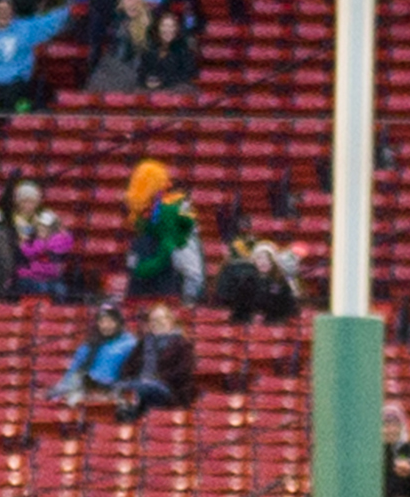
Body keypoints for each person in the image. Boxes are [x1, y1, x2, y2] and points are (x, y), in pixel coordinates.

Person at [0, 0, 73, 117]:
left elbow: (49, 21)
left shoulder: (26, 28)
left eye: (7, 10)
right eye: (0, 10)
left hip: (20, 84)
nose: (3, 13)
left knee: (15, 99)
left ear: (12, 12)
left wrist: (69, 10)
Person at [124, 159, 203, 303]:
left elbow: (184, 257)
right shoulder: (142, 213)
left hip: (165, 284)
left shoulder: (173, 208)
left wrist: (189, 296)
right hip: (142, 281)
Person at [112, 304, 195, 421]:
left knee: (147, 386)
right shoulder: (143, 343)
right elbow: (128, 366)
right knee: (117, 386)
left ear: (170, 321)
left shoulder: (182, 344)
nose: (157, 323)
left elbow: (183, 372)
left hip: (169, 389)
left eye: (161, 319)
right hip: (141, 384)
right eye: (153, 320)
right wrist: (128, 378)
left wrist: (158, 377)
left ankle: (132, 413)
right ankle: (130, 416)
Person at [45, 303, 136, 404]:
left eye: (110, 321)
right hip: (88, 392)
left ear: (119, 322)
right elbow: (73, 372)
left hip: (114, 394)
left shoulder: (130, 344)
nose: (105, 325)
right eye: (102, 321)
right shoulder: (88, 346)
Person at [9, 180, 72, 299]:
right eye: (24, 201)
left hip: (48, 269)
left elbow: (63, 237)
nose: (28, 205)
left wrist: (46, 243)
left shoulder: (46, 218)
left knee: (60, 289)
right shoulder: (11, 221)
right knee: (40, 288)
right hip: (24, 270)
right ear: (18, 202)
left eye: (32, 201)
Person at [215, 240, 299, 324]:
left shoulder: (280, 282)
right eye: (260, 258)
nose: (264, 262)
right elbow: (236, 304)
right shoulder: (245, 280)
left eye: (268, 259)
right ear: (254, 260)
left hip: (273, 324)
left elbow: (289, 307)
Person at [138, 10, 197, 92]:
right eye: (164, 26)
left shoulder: (184, 50)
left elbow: (188, 74)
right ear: (158, 28)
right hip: (151, 89)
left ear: (176, 29)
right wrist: (147, 80)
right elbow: (142, 71)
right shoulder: (149, 49)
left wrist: (163, 81)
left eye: (171, 26)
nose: (167, 30)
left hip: (175, 88)